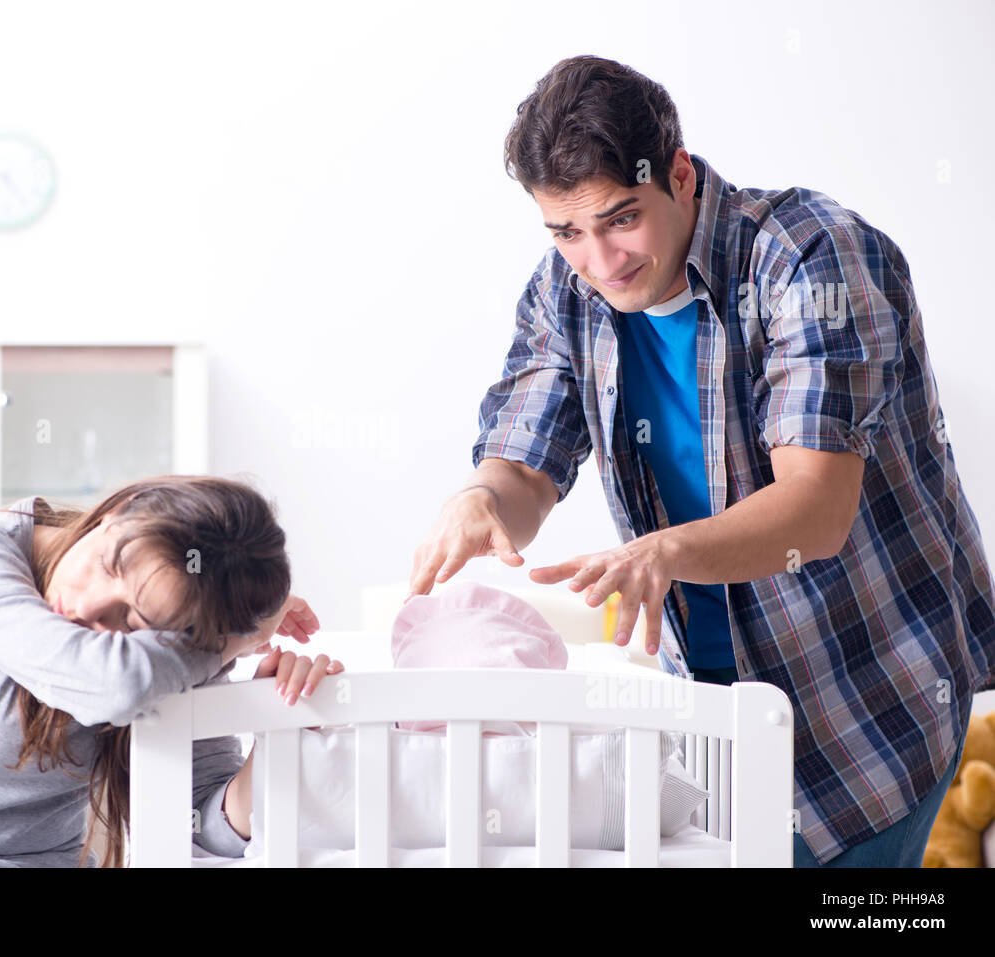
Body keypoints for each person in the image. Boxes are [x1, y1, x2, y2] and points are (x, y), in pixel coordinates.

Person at [408, 55, 995, 867]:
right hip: (719, 704)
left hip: (871, 694)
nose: (600, 259)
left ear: (679, 174)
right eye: (567, 231)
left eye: (621, 219)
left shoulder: (811, 257)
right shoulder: (566, 290)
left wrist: (666, 551)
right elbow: (525, 464)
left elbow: (816, 511)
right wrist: (481, 497)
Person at [0, 475, 340, 867]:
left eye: (132, 620)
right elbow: (111, 685)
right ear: (115, 511)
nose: (87, 607)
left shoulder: (171, 656)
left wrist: (275, 731)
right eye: (108, 564)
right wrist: (234, 640)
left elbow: (205, 827)